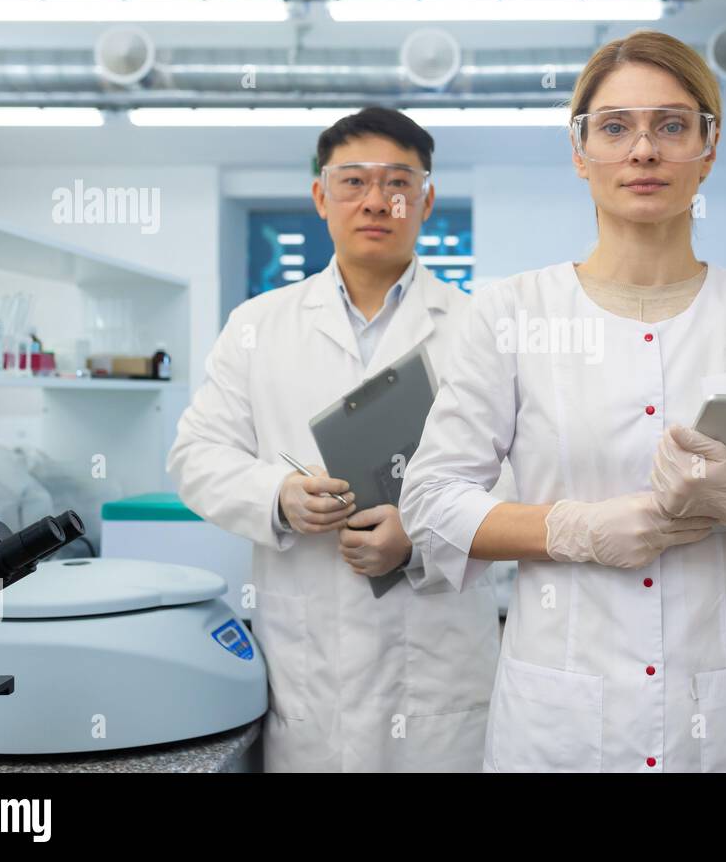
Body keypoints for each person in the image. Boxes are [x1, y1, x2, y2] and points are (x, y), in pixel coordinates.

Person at [398, 30, 726, 772]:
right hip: (561, 716)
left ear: (709, 149)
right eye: (616, 127)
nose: (644, 150)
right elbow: (430, 501)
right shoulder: (511, 313)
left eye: (672, 126)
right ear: (579, 151)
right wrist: (575, 529)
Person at [167, 107, 500, 772]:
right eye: (353, 181)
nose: (376, 200)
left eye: (398, 181)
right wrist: (279, 495)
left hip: (440, 661)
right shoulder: (258, 325)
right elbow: (195, 455)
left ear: (426, 199)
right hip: (312, 661)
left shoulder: (481, 327)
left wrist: (421, 533)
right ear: (321, 196)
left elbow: (522, 474)